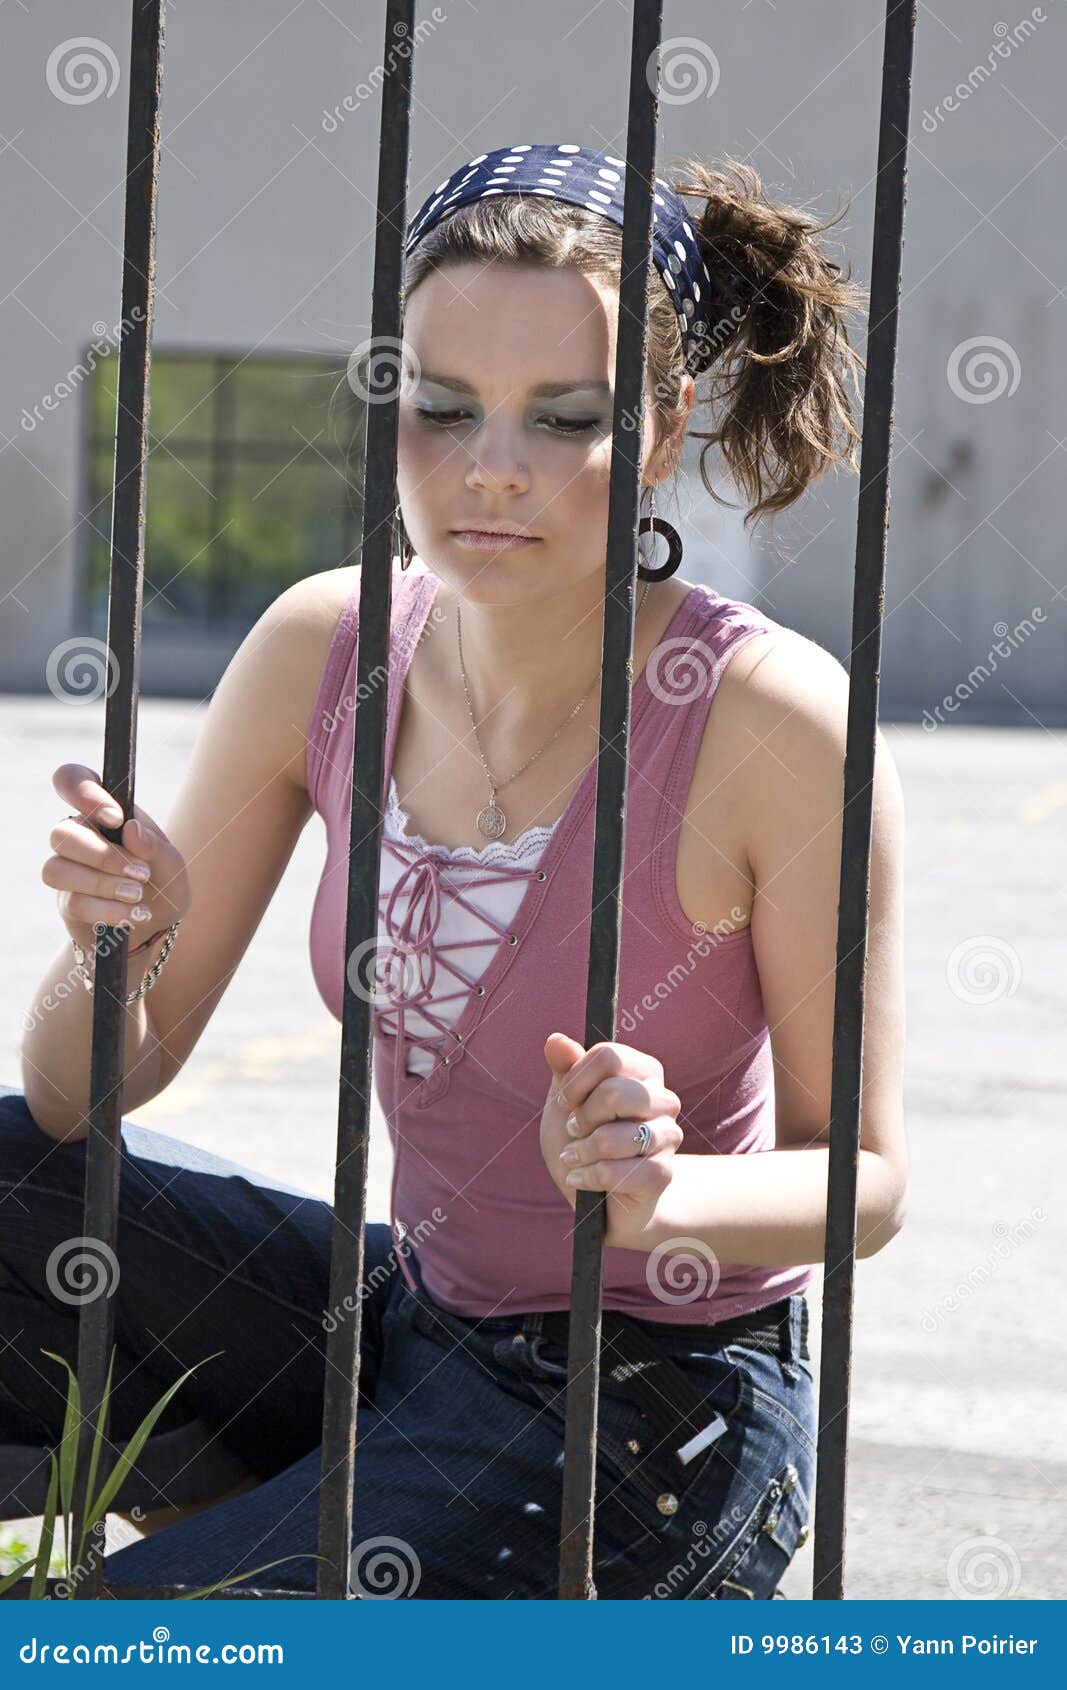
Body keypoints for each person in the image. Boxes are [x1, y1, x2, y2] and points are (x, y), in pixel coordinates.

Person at [0, 145, 907, 1599]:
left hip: (655, 1404)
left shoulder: (774, 724)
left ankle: (262, 1550)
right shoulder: (326, 642)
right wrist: (120, 948)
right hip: (405, 1324)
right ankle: (264, 1504)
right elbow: (74, 1100)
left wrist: (665, 1193)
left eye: (566, 418)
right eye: (441, 407)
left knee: (138, 1629)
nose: (491, 468)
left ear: (668, 426)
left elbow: (866, 1180)